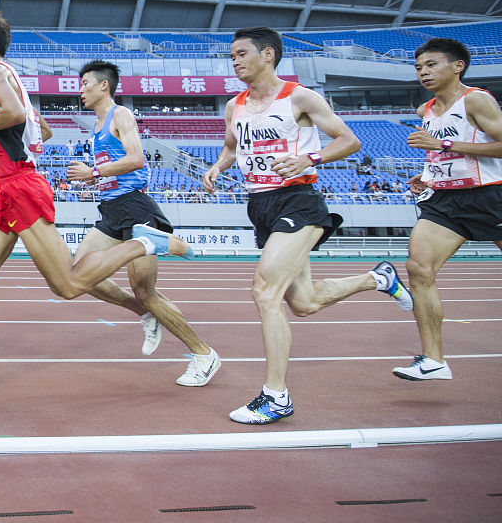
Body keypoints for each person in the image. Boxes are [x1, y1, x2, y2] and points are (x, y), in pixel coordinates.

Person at [0, 11, 192, 396]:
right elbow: (40, 129)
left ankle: (143, 243)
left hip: (21, 189)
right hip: (8, 185)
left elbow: (17, 114)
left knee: (68, 285)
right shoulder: (9, 75)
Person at [202, 27, 412, 425]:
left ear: (268, 54)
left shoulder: (298, 96)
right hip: (259, 205)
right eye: (232, 56)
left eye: (242, 54)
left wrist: (309, 159)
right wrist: (217, 166)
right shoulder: (235, 106)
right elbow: (232, 147)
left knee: (265, 291)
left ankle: (276, 396)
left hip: (298, 200)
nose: (236, 61)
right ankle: (378, 279)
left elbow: (349, 140)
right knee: (304, 302)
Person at [66, 60, 220, 385]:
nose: (80, 89)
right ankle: (145, 314)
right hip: (110, 211)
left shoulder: (119, 115)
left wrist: (93, 172)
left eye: (85, 83)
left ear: (103, 86)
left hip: (136, 210)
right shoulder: (95, 127)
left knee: (145, 291)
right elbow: (119, 167)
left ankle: (204, 354)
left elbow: (137, 158)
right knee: (78, 276)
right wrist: (96, 180)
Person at [395, 38, 502, 381]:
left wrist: (441, 143)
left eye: (431, 64)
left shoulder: (476, 99)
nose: (423, 71)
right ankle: (433, 360)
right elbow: (444, 155)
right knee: (418, 268)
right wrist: (426, 174)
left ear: (458, 66)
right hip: (445, 200)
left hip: (489, 195)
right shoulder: (425, 110)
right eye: (419, 67)